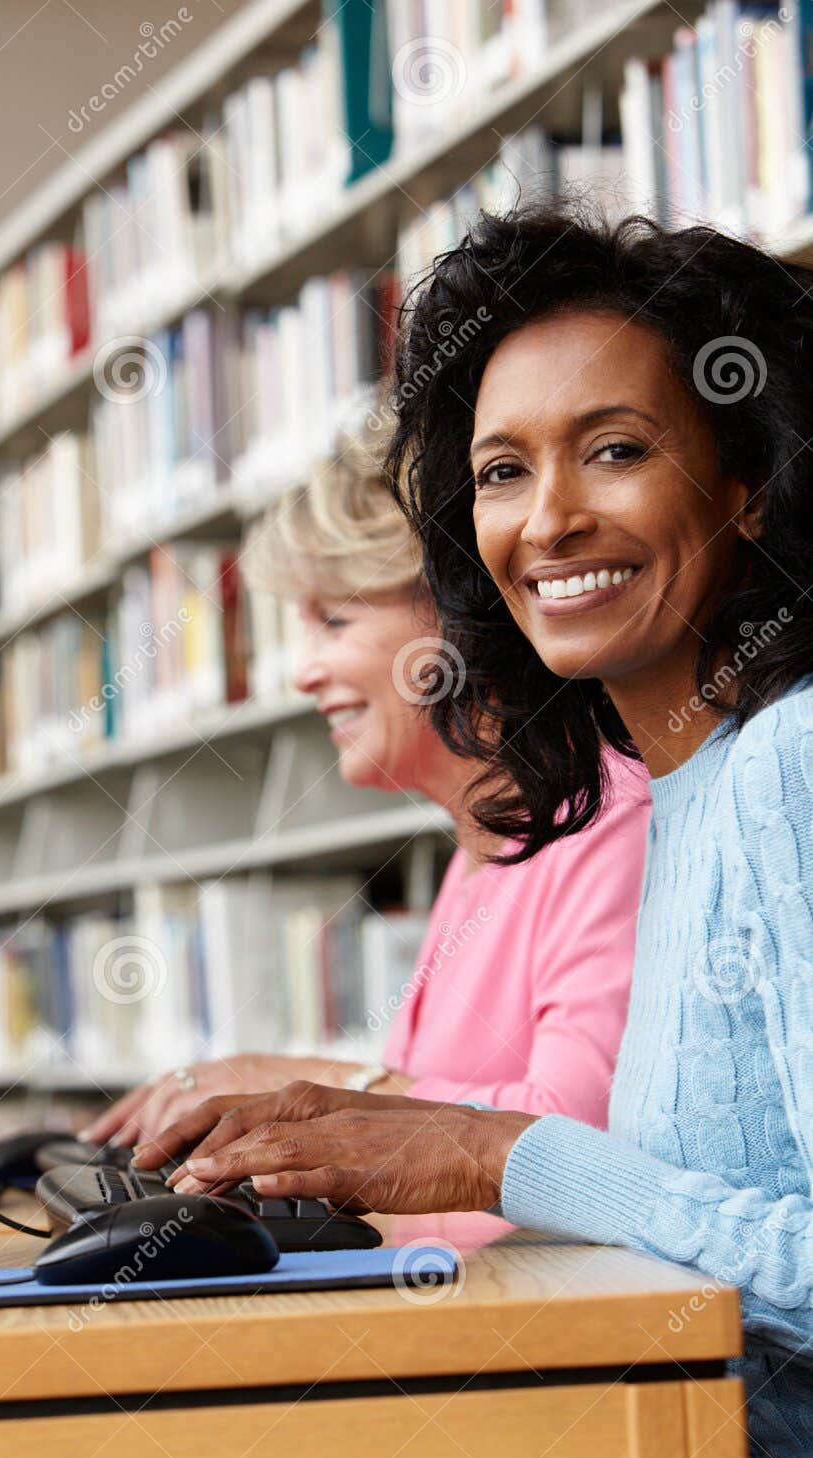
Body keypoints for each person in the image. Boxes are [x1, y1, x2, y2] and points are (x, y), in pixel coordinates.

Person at [135, 200, 813, 1458]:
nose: (548, 517)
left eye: (612, 451)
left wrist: (493, 1151)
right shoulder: (677, 784)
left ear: (742, 479)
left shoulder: (785, 764)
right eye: (500, 472)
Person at [82, 419, 650, 1251]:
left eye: (334, 623)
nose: (301, 672)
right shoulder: (485, 847)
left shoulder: (607, 820)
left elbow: (581, 1149)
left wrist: (319, 1089)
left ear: (462, 617)